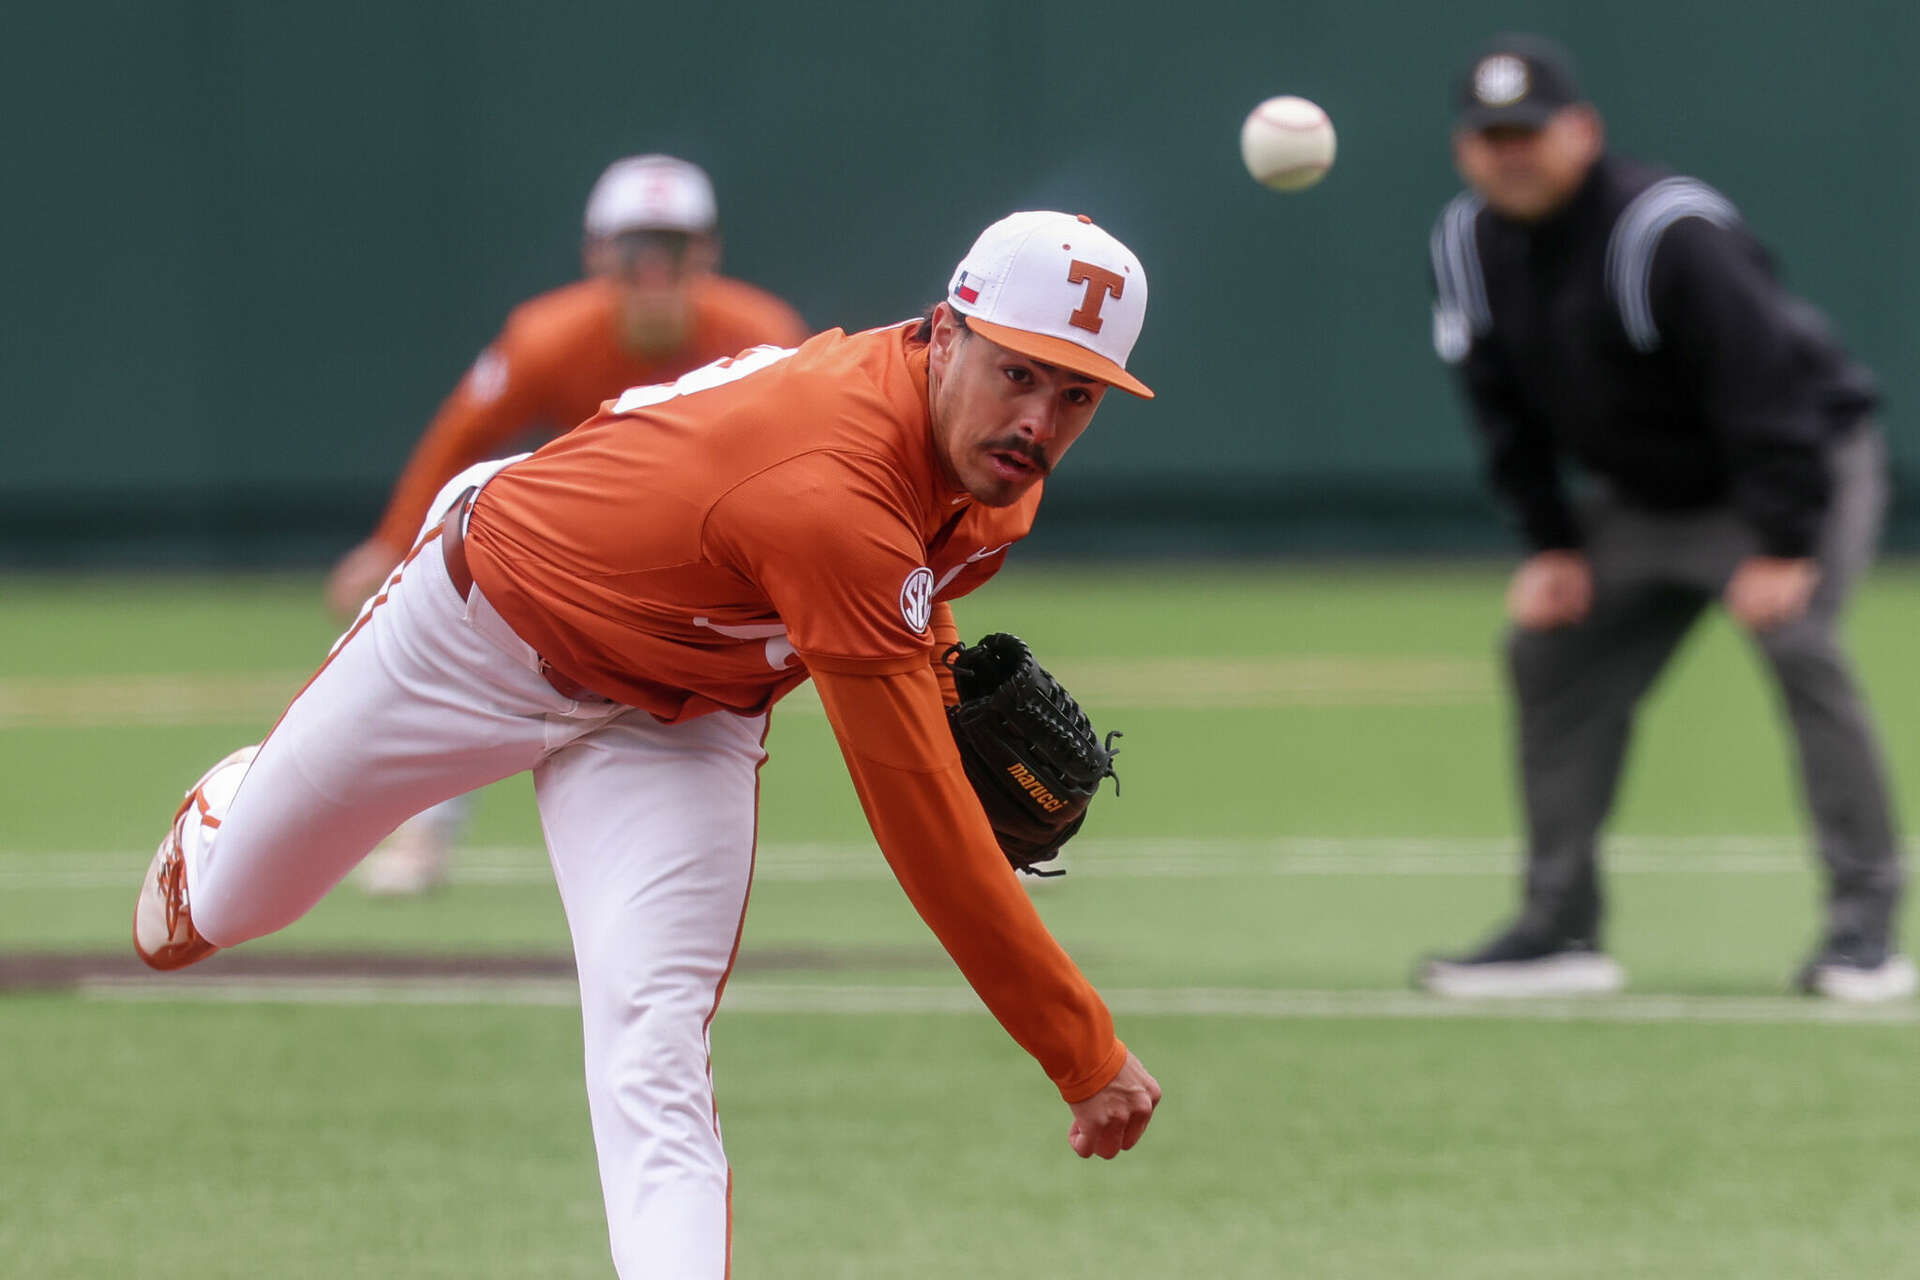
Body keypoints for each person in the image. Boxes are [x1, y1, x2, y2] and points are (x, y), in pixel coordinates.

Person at [133, 209, 1164, 1277]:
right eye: (1018, 373)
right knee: (221, 911)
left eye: (1076, 393)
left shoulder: (996, 480)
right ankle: (229, 810)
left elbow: (924, 592)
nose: (1039, 419)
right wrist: (1080, 1047)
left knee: (653, 1047)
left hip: (683, 717)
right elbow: (924, 828)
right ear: (944, 333)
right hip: (477, 632)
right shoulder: (829, 484)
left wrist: (943, 673)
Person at [1417, 34, 1911, 1002]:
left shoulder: (1664, 229)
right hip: (1649, 499)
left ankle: (1866, 930)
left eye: (1530, 130)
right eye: (1489, 136)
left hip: (1793, 466)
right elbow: (1500, 405)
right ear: (1464, 150)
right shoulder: (1466, 243)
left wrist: (1780, 542)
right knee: (1546, 649)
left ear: (1583, 131)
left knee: (1801, 638)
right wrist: (1554, 542)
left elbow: (1768, 383)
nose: (1510, 152)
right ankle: (1560, 929)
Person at [326, 154, 810, 894]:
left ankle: (983, 827)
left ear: (706, 254)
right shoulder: (546, 337)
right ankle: (421, 836)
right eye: (633, 249)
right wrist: (392, 543)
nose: (653, 269)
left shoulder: (763, 335)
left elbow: (812, 458)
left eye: (672, 249)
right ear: (596, 255)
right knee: (470, 627)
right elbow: (460, 439)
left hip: (720, 558)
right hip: (588, 551)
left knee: (867, 646)